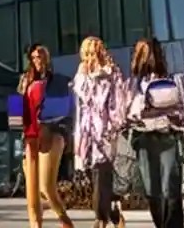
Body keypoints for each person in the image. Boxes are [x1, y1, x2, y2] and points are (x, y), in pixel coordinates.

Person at [125, 36, 184, 228]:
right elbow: (125, 113)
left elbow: (182, 111)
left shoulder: (171, 80)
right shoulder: (132, 85)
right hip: (144, 138)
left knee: (170, 189)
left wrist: (175, 117)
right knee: (152, 191)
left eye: (151, 51)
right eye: (142, 52)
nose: (147, 57)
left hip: (167, 136)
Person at [71, 36, 129, 228]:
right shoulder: (82, 73)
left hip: (106, 131)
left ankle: (101, 218)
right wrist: (86, 74)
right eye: (87, 53)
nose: (91, 57)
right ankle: (113, 212)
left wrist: (115, 124)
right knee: (96, 175)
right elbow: (83, 96)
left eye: (94, 52)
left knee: (101, 173)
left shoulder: (112, 72)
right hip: (88, 133)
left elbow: (119, 100)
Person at [18, 43, 75, 228]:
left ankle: (65, 220)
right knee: (32, 190)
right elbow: (15, 111)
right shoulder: (24, 80)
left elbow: (65, 110)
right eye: (34, 57)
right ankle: (35, 225)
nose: (37, 60)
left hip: (53, 133)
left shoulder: (59, 81)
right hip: (30, 137)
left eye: (41, 56)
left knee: (46, 186)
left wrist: (50, 127)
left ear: (47, 58)